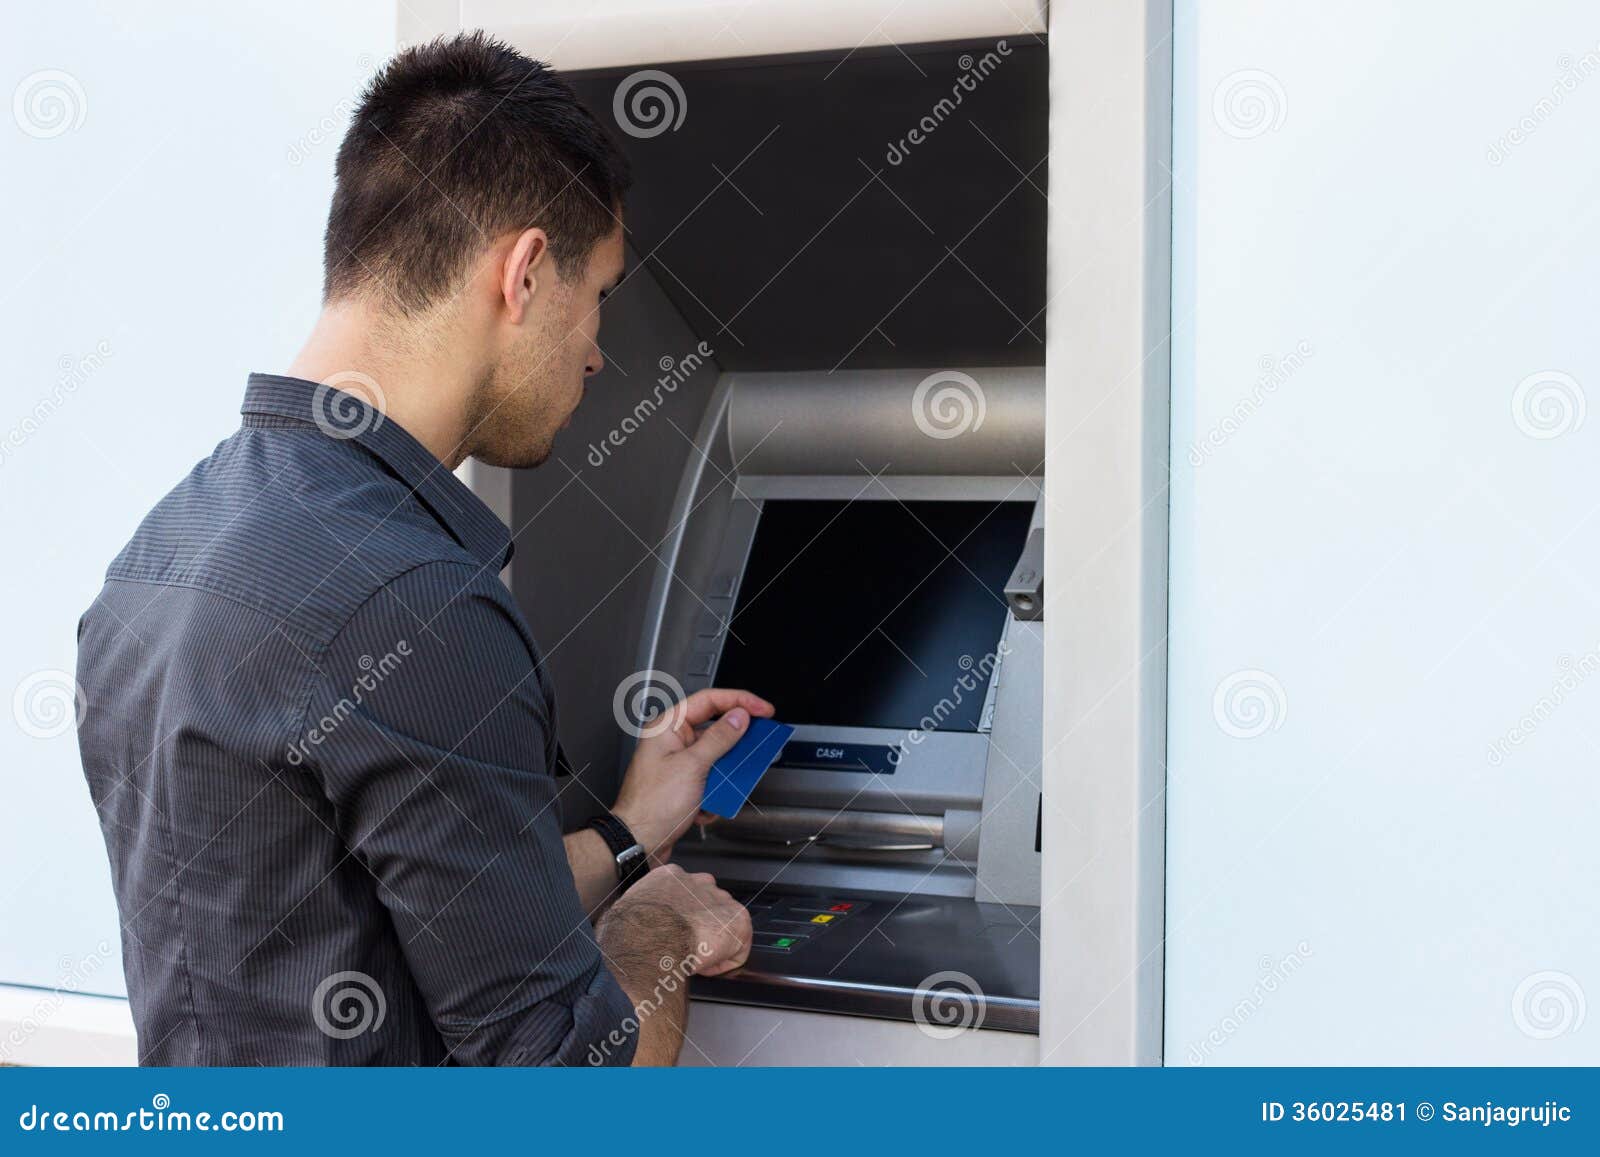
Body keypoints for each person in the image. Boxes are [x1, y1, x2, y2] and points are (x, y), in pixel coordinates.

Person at [74, 31, 764, 1066]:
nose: (596, 350)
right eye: (600, 294)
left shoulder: (165, 547)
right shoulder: (412, 598)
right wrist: (660, 921)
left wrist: (629, 834)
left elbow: (375, 918)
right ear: (525, 272)